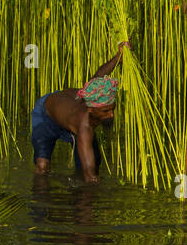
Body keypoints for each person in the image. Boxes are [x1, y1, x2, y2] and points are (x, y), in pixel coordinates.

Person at [30, 41, 130, 183]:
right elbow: (90, 177)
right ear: (91, 109)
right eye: (106, 111)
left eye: (112, 109)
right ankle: (41, 200)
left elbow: (100, 75)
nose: (111, 115)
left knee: (92, 164)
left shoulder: (92, 93)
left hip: (68, 111)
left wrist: (119, 57)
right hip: (46, 115)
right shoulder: (84, 127)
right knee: (42, 167)